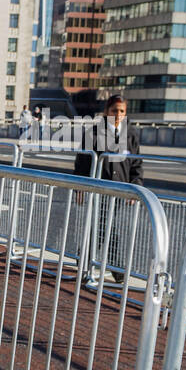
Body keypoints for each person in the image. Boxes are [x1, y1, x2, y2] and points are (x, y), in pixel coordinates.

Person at [75, 95, 143, 285]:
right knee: (105, 224)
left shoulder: (130, 134)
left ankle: (84, 260)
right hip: (99, 186)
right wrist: (79, 187)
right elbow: (82, 161)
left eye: (122, 111)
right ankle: (116, 268)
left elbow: (136, 163)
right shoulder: (94, 132)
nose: (118, 115)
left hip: (120, 189)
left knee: (101, 225)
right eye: (114, 111)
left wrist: (136, 184)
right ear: (106, 112)